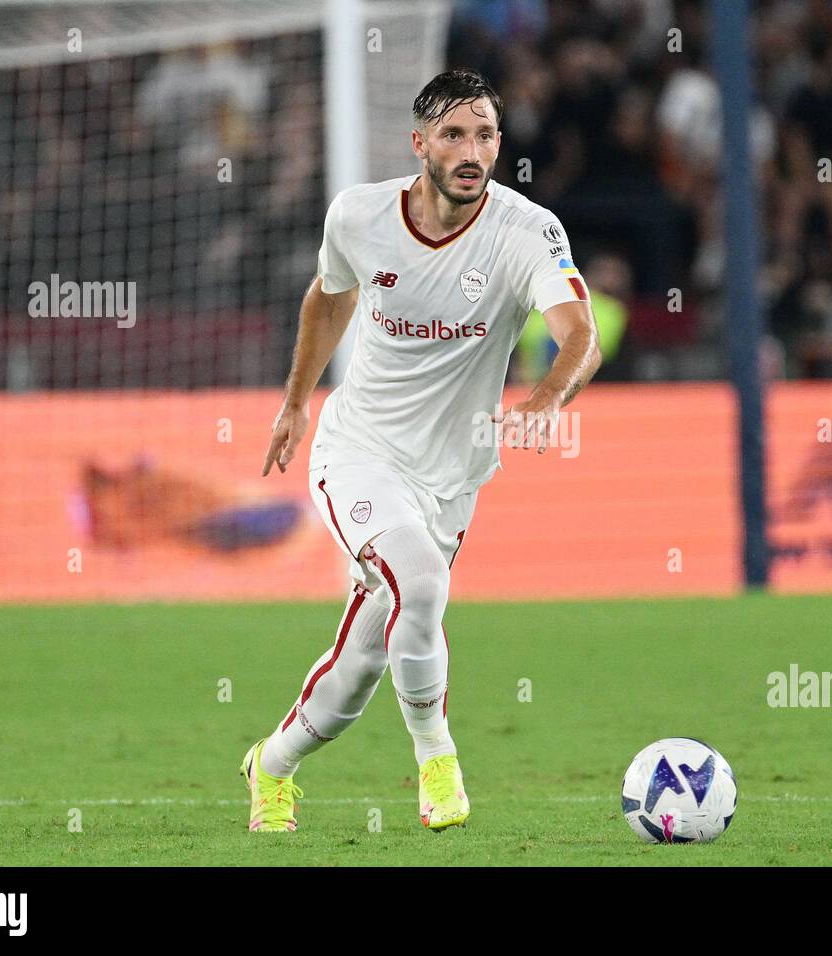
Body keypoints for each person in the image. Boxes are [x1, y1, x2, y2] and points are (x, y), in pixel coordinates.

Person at [242, 70, 601, 832]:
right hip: (359, 453)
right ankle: (437, 760)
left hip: (452, 479)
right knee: (424, 583)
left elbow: (580, 334)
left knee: (360, 666)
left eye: (485, 135)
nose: (472, 151)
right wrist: (297, 400)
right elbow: (328, 297)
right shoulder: (360, 216)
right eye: (453, 135)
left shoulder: (527, 231)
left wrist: (545, 398)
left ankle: (270, 764)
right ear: (420, 143)